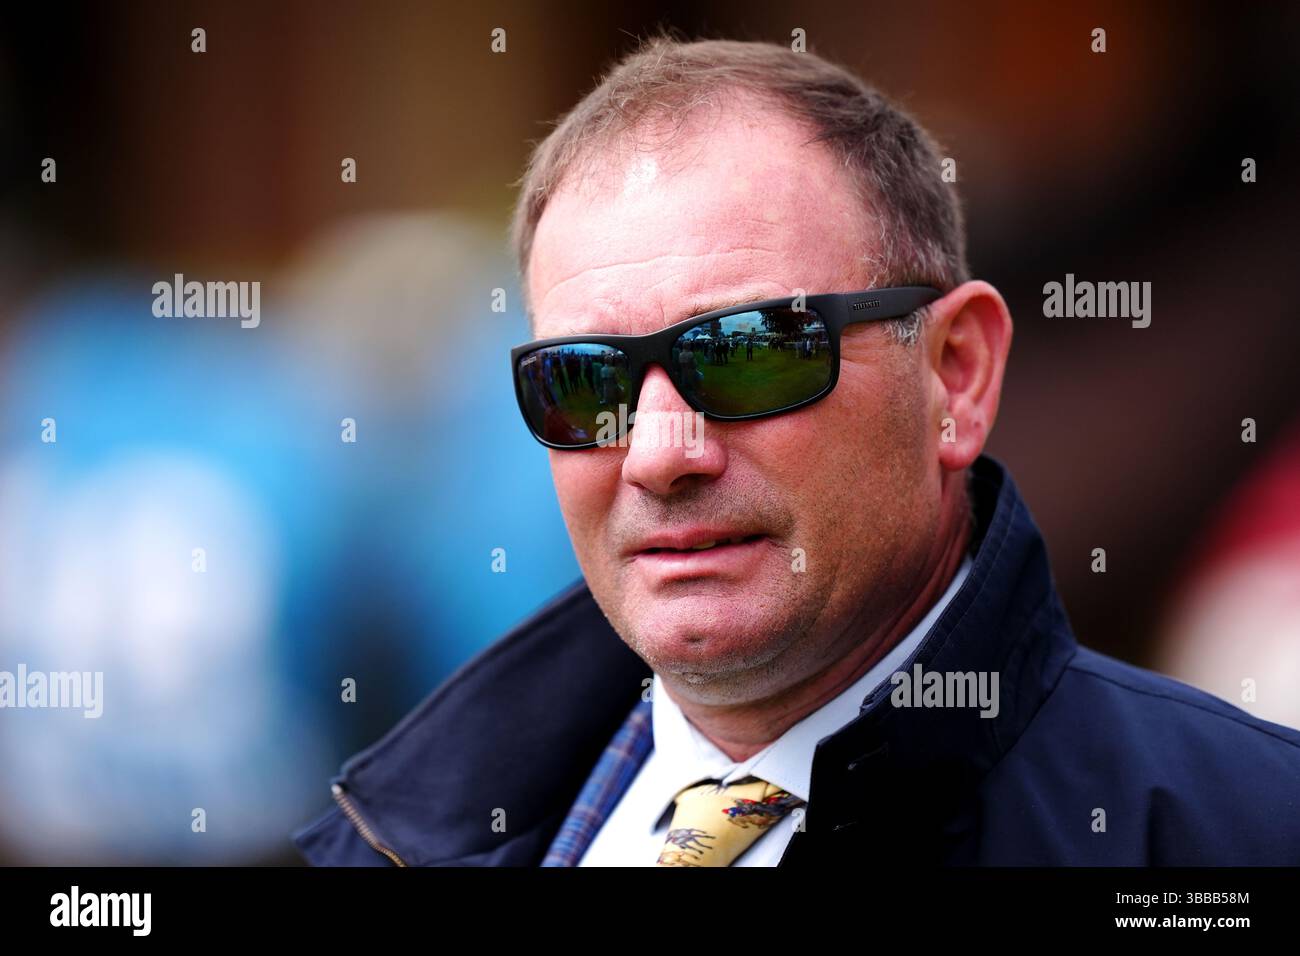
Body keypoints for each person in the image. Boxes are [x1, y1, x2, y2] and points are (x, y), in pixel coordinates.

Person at [293, 36, 1300, 867]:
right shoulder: (383, 840)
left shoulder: (1239, 833)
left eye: (746, 355)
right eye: (586, 380)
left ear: (955, 374)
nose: (658, 454)